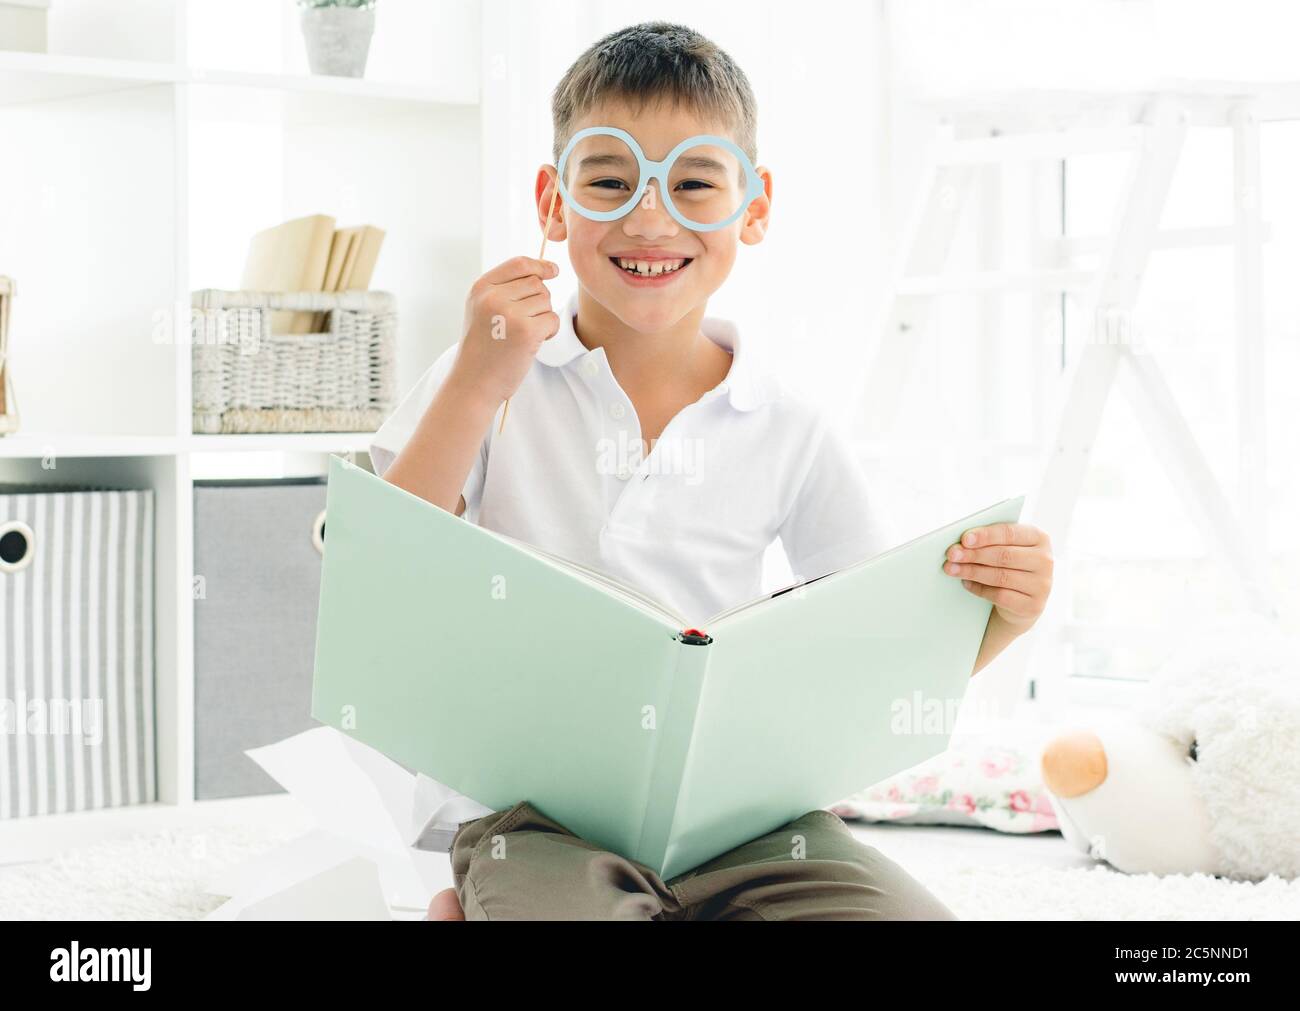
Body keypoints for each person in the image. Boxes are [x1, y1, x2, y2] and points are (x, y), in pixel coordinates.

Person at [374, 21, 1054, 921]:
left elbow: (875, 658)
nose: (649, 218)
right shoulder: (488, 377)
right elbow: (391, 569)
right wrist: (473, 381)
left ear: (753, 206)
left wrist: (1004, 617)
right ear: (553, 201)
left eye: (693, 183)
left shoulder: (789, 428)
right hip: (533, 818)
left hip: (746, 823)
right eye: (610, 181)